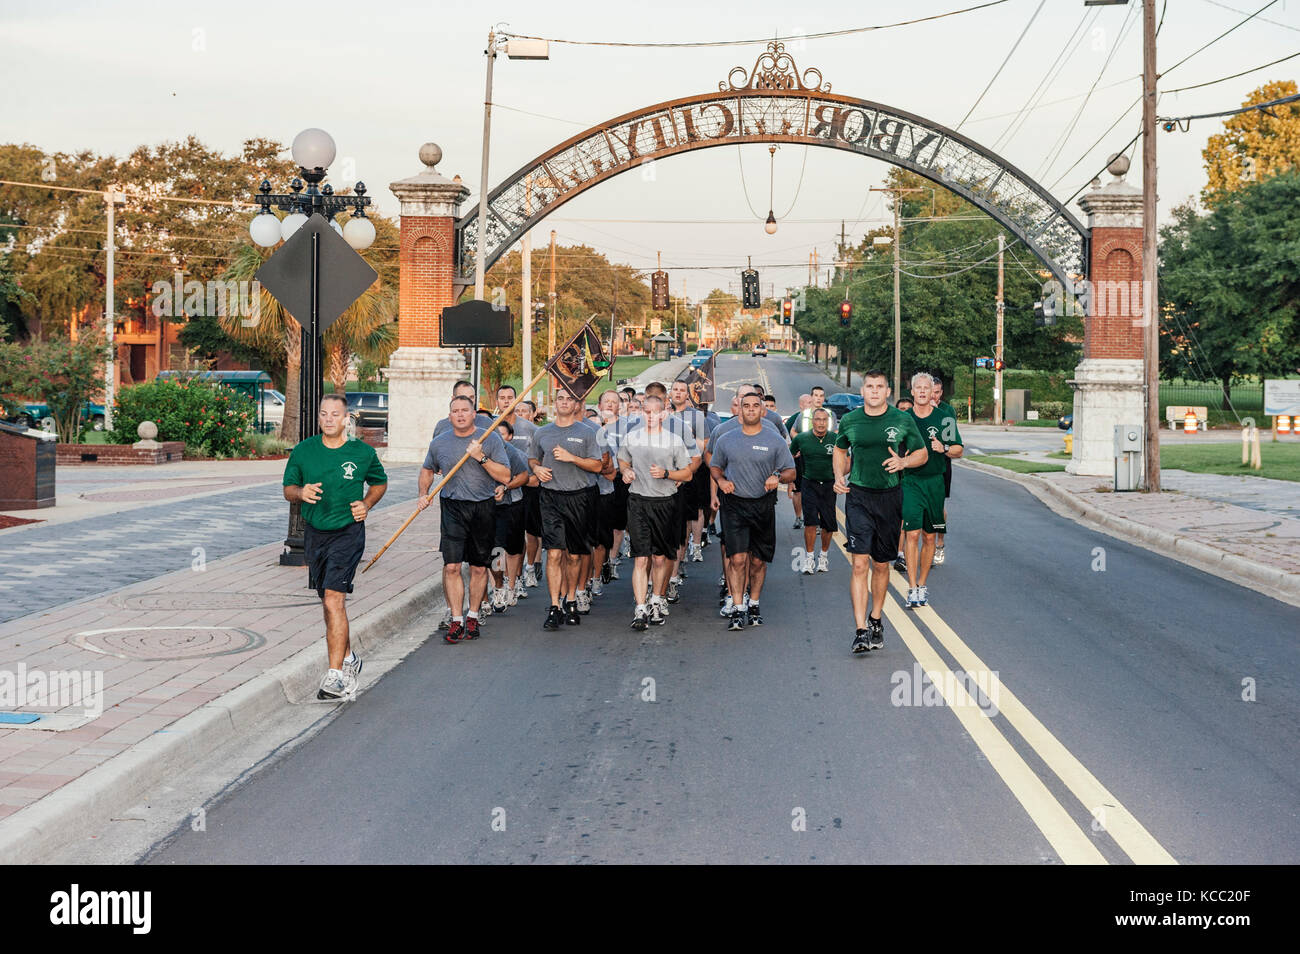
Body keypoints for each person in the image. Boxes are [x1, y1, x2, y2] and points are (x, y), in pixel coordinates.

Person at [283, 394, 388, 700]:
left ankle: (335, 678)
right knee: (328, 605)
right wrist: (301, 492)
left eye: (335, 414)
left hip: (348, 532)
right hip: (315, 533)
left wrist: (366, 504)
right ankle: (349, 657)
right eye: (324, 414)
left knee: (333, 600)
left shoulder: (362, 453)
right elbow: (287, 489)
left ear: (346, 419)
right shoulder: (304, 451)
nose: (329, 419)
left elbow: (379, 483)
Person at [833, 371, 927, 654]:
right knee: (859, 563)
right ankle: (861, 630)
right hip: (859, 496)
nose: (874, 391)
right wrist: (839, 474)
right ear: (863, 391)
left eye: (880, 387)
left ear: (888, 392)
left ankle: (876, 619)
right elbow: (840, 450)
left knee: (881, 564)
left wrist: (904, 461)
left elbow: (922, 453)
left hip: (889, 497)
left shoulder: (902, 419)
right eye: (870, 387)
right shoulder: (850, 420)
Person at [418, 396, 512, 643]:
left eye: (465, 410)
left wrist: (480, 457)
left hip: (483, 506)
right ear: (450, 416)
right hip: (452, 506)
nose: (460, 415)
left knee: (479, 566)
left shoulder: (489, 437)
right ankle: (457, 619)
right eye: (455, 411)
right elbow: (428, 469)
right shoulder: (439, 443)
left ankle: (473, 614)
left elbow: (505, 475)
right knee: (452, 566)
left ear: (474, 415)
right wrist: (422, 494)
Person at [710, 392, 797, 630]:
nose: (749, 410)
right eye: (745, 406)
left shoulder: (774, 440)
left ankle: (754, 603)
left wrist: (777, 477)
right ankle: (738, 608)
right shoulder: (726, 439)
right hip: (734, 504)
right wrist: (721, 482)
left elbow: (791, 471)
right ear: (739, 410)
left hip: (763, 505)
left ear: (762, 411)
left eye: (754, 406)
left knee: (758, 561)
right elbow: (715, 466)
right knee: (737, 559)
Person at [529, 389, 607, 630]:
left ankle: (571, 599)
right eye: (560, 398)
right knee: (553, 553)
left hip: (579, 497)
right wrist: (537, 469)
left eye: (569, 399)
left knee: (574, 554)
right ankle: (554, 605)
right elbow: (533, 458)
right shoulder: (542, 432)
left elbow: (597, 466)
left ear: (576, 404)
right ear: (555, 403)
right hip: (551, 497)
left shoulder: (587, 432)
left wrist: (572, 458)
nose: (564, 403)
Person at [618, 394, 695, 629]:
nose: (650, 416)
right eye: (646, 411)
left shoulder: (673, 441)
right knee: (641, 557)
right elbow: (622, 461)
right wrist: (625, 472)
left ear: (664, 413)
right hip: (638, 501)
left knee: (660, 557)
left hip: (665, 502)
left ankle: (656, 599)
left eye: (655, 412)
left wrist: (667, 474)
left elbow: (688, 474)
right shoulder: (632, 437)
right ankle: (640, 608)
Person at [902, 374, 963, 606]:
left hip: (935, 482)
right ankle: (911, 587)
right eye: (918, 387)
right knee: (912, 533)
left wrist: (944, 447)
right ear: (913, 391)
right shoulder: (903, 418)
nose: (923, 391)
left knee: (929, 535)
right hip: (910, 482)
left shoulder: (943, 418)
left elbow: (958, 449)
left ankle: (922, 584)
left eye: (927, 388)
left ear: (932, 392)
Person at [489, 420, 533, 612]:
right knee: (495, 548)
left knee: (514, 548)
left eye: (503, 434)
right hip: (492, 508)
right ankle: (497, 588)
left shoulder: (514, 453)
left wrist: (507, 486)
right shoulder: (485, 452)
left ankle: (512, 585)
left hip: (514, 504)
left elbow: (528, 478)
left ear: (510, 437)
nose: (499, 438)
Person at [789, 407, 838, 574]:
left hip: (829, 485)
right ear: (813, 421)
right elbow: (789, 459)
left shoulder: (836, 438)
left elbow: (846, 459)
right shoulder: (802, 438)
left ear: (828, 422)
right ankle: (809, 558)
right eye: (818, 419)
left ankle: (823, 557)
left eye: (824, 420)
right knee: (810, 522)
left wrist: (840, 477)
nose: (821, 423)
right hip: (809, 484)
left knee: (828, 524)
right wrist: (790, 481)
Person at [929, 376, 957, 565]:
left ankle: (939, 543)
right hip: (919, 464)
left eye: (938, 392)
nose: (934, 396)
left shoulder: (947, 411)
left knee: (938, 508)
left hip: (941, 463)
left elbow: (951, 440)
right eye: (932, 392)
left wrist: (934, 412)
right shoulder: (916, 410)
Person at [786, 394, 813, 529]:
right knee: (798, 490)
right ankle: (798, 517)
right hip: (797, 459)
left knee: (815, 490)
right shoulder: (794, 419)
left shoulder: (819, 417)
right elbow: (787, 439)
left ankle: (815, 520)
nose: (811, 404)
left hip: (813, 460)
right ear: (801, 405)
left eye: (812, 402)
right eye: (808, 402)